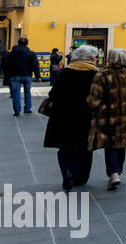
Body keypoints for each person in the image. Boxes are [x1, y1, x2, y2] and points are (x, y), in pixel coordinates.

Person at [41, 44, 101, 190]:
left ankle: (67, 173)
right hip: (87, 116)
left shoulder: (65, 72)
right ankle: (80, 177)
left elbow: (53, 94)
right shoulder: (96, 75)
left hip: (63, 115)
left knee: (65, 146)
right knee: (85, 147)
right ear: (91, 58)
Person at [86, 48, 126, 191]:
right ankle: (118, 171)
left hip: (108, 115)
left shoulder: (103, 74)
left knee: (110, 145)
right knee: (121, 143)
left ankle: (114, 173)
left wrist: (92, 108)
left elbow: (94, 99)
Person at [3, 36, 41, 116]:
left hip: (15, 75)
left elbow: (6, 65)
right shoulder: (31, 53)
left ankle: (17, 110)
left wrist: (7, 76)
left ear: (18, 43)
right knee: (27, 92)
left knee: (16, 93)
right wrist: (38, 76)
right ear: (27, 44)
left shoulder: (11, 54)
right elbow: (35, 65)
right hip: (27, 75)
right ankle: (27, 108)